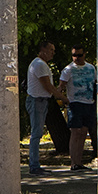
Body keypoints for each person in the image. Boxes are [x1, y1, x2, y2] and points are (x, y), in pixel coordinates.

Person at [60, 47, 98, 170]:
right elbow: (61, 86)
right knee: (75, 132)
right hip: (75, 103)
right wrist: (61, 99)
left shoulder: (91, 68)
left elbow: (95, 84)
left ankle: (79, 162)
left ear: (84, 54)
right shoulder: (68, 70)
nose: (77, 58)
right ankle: (73, 162)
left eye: (79, 55)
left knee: (83, 132)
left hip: (89, 103)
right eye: (74, 55)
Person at [25, 41, 59, 176]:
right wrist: (62, 98)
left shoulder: (41, 65)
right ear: (43, 49)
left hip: (41, 100)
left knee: (38, 133)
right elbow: (47, 86)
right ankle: (34, 165)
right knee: (36, 133)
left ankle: (35, 164)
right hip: (37, 100)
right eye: (51, 49)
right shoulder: (39, 64)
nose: (53, 53)